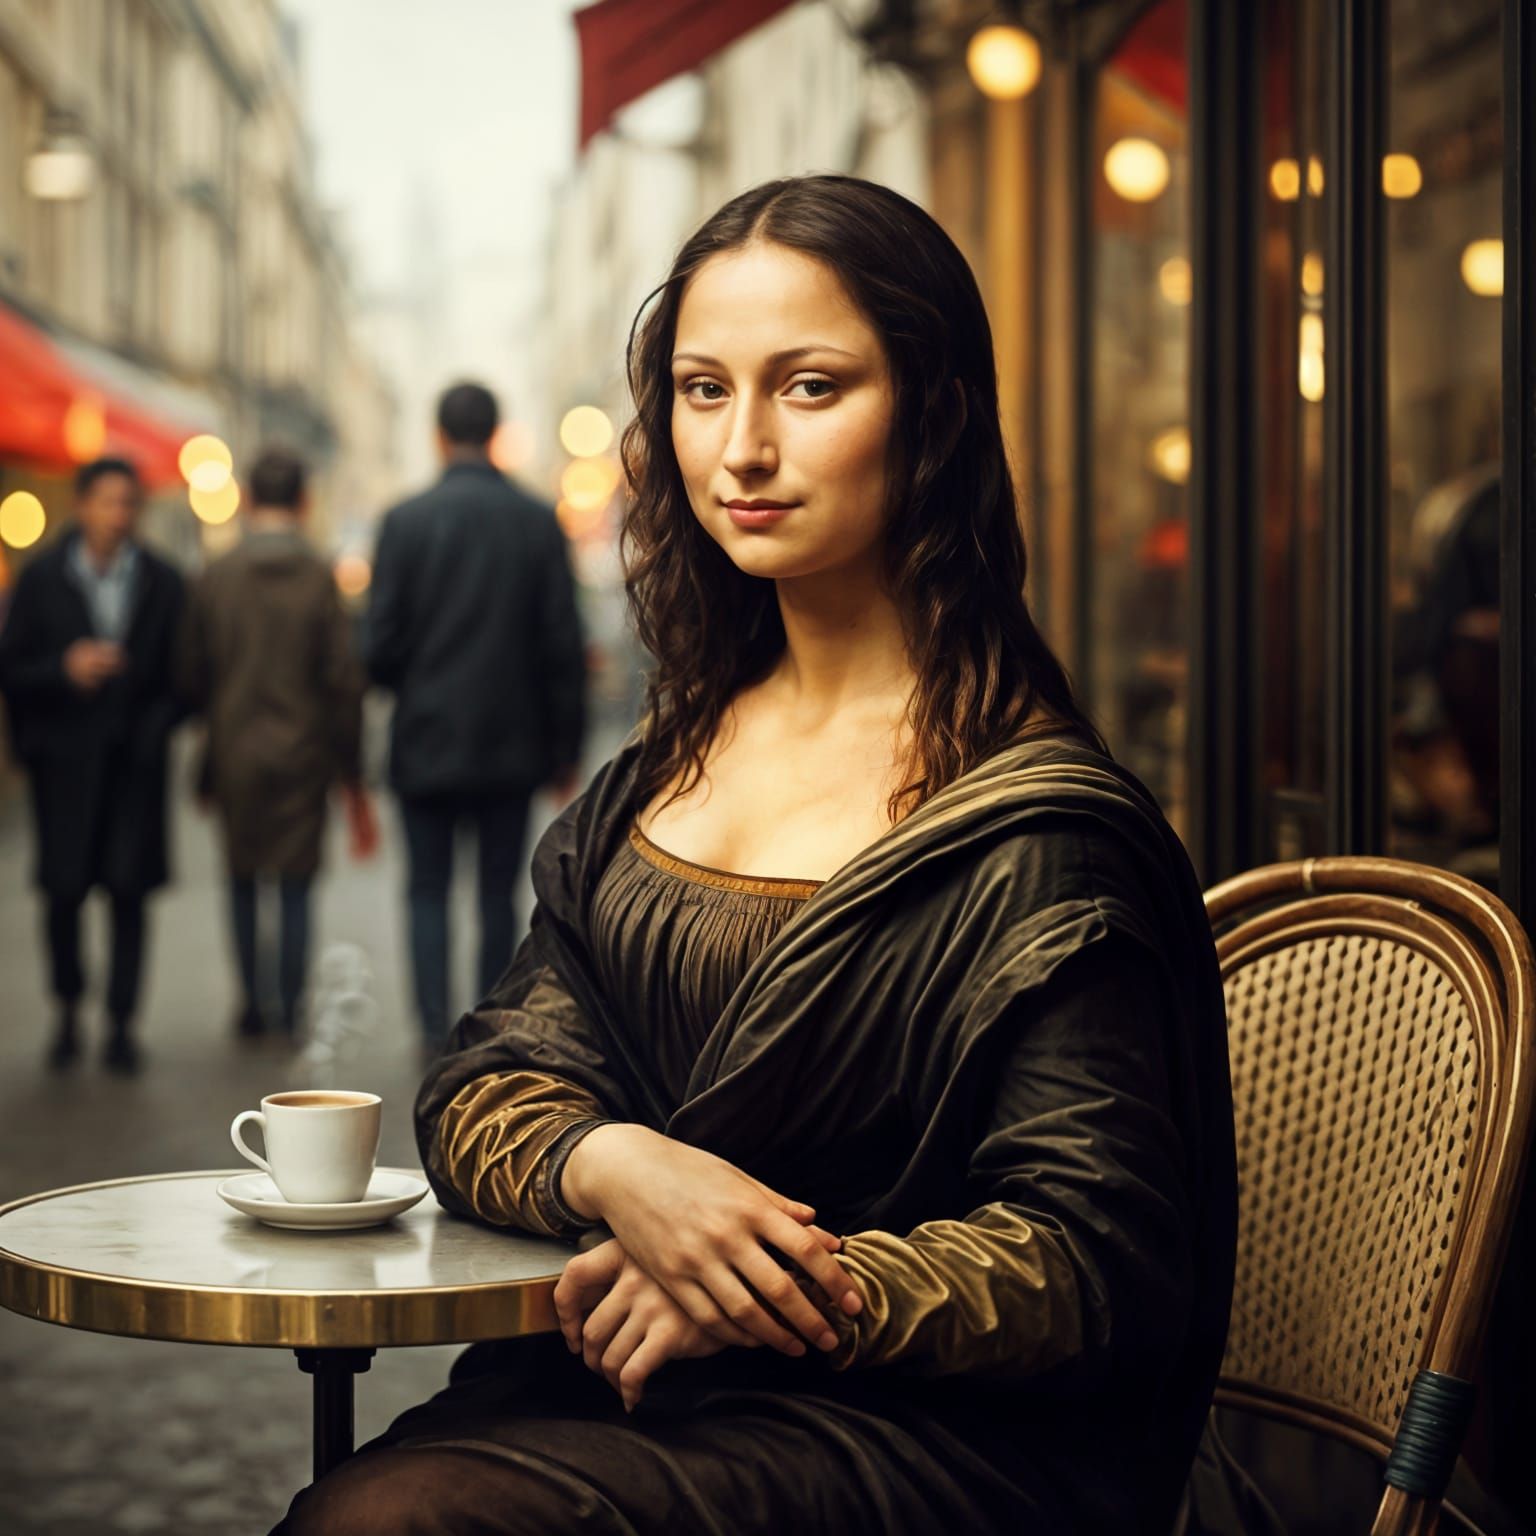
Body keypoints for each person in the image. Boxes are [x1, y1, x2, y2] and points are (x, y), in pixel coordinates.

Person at [274, 176, 1236, 1535]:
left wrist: (760, 1286)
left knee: (391, 1520)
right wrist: (620, 1168)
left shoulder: (1037, 827)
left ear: (938, 413)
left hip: (930, 1439)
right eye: (704, 389)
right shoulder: (667, 764)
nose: (744, 449)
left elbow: (1089, 1261)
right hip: (630, 1392)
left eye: (812, 387)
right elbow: (489, 1080)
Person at [364, 381, 586, 1055]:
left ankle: (431, 1026)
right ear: (495, 433)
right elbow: (561, 642)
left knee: (426, 889)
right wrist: (565, 745)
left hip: (426, 740)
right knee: (496, 891)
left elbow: (376, 650)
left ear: (438, 435)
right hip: (508, 741)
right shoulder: (535, 519)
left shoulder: (403, 522)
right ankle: (488, 1026)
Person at [178, 447, 373, 1040]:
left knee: (240, 876)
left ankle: (250, 1004)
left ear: (247, 496)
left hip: (235, 749)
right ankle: (289, 1006)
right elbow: (343, 682)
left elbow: (191, 675)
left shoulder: (217, 575)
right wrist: (353, 773)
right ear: (304, 501)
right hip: (304, 755)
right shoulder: (318, 576)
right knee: (293, 883)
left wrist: (206, 755)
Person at [0, 456, 185, 1073]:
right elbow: (12, 669)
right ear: (81, 506)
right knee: (63, 893)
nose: (118, 515)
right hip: (65, 768)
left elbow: (184, 678)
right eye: (107, 502)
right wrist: (63, 669)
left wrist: (154, 727)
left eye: (129, 503)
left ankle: (122, 1023)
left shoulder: (163, 580)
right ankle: (67, 1011)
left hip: (135, 767)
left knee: (129, 897)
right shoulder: (42, 577)